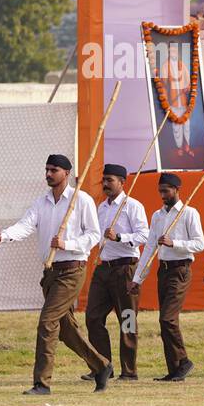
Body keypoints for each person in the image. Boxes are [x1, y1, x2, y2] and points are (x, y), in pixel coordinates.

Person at [0, 154, 112, 395]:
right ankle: (102, 366)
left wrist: (67, 243)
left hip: (72, 270)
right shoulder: (41, 202)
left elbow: (94, 235)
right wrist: (2, 236)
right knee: (66, 330)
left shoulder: (81, 200)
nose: (48, 174)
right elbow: (25, 225)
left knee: (47, 323)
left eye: (53, 170)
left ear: (66, 173)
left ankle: (41, 384)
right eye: (46, 169)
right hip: (50, 272)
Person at [131, 173, 204, 381]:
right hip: (162, 270)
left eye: (166, 191)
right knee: (164, 320)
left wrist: (175, 243)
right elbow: (149, 249)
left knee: (167, 318)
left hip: (180, 270)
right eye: (160, 191)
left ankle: (184, 361)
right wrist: (137, 278)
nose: (162, 195)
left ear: (176, 190)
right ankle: (174, 369)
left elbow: (200, 244)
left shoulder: (189, 213)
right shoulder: (157, 216)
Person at [86, 163, 148, 382]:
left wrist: (120, 237)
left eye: (110, 180)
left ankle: (129, 371)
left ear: (122, 183)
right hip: (104, 268)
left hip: (126, 268)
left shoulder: (133, 206)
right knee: (93, 317)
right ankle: (102, 366)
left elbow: (144, 236)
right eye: (103, 180)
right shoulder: (101, 208)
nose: (105, 184)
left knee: (127, 319)